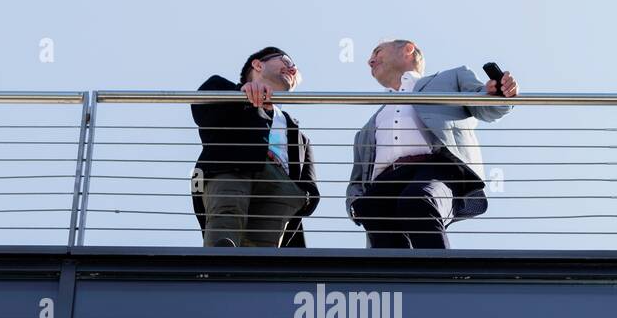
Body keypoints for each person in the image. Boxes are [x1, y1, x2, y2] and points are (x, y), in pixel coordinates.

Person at [346, 40, 519, 248]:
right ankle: (395, 280)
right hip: (384, 181)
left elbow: (487, 107)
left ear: (408, 49)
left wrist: (499, 94)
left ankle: (443, 277)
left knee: (417, 200)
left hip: (436, 168)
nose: (369, 60)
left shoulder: (451, 77)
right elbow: (357, 179)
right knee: (372, 208)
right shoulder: (367, 128)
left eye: (377, 51)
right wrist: (354, 203)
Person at [190, 47, 319, 247]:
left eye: (296, 70)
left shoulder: (299, 134)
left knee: (263, 259)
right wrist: (239, 96)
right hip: (233, 169)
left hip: (281, 188)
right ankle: (217, 272)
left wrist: (298, 197)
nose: (293, 69)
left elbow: (310, 185)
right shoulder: (222, 88)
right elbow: (202, 111)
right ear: (258, 64)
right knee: (226, 228)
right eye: (286, 61)